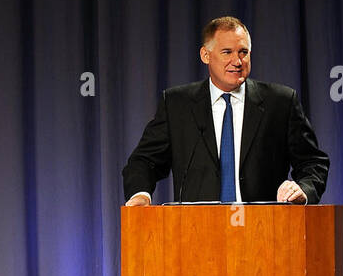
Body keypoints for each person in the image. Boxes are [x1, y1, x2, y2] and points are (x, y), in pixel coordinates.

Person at [122, 15, 329, 205]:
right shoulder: (177, 104)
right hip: (195, 231)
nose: (237, 61)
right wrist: (140, 194)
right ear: (205, 55)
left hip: (265, 230)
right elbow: (144, 161)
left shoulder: (281, 102)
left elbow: (313, 162)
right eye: (227, 52)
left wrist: (303, 189)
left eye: (243, 52)